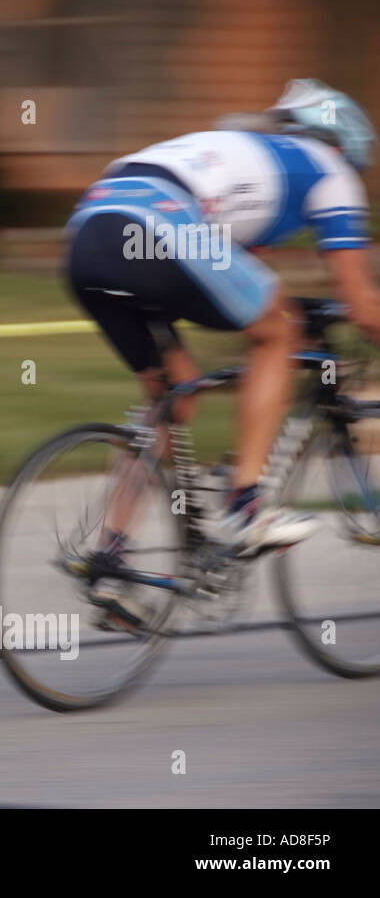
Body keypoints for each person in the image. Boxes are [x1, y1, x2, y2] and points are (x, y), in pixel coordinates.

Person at [63, 79, 380, 630]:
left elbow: (231, 276)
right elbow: (360, 303)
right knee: (282, 332)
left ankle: (110, 562)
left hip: (90, 235)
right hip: (159, 227)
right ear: (340, 146)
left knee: (174, 393)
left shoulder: (240, 149)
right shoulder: (330, 170)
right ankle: (247, 506)